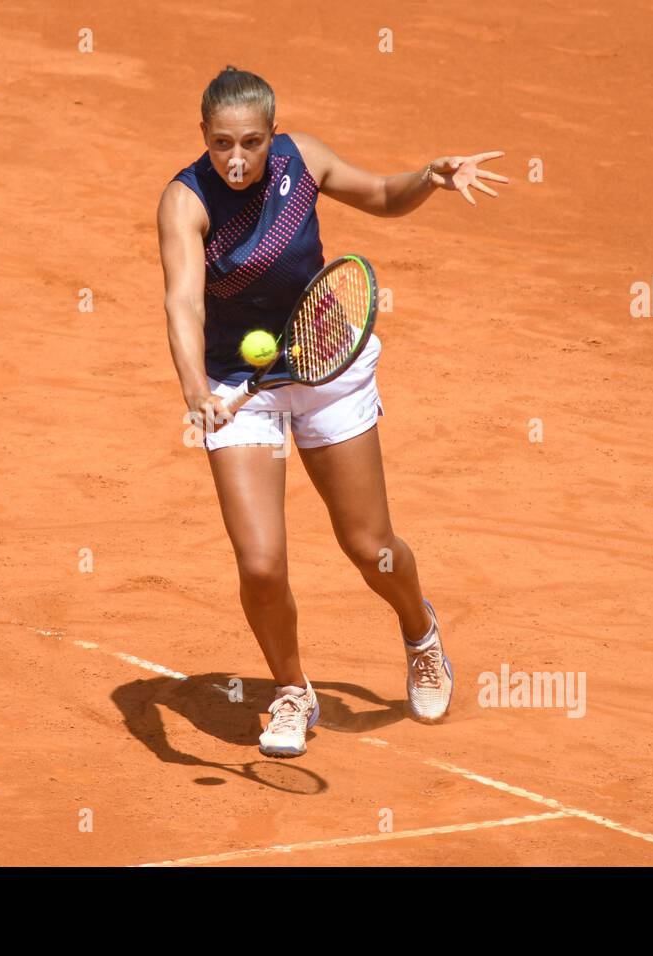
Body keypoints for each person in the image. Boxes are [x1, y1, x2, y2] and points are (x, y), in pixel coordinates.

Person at [156, 66, 507, 757]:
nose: (235, 158)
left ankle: (419, 631)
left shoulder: (302, 161)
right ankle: (291, 691)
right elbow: (183, 302)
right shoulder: (184, 201)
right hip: (237, 380)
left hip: (324, 362)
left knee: (369, 547)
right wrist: (196, 389)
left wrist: (428, 177)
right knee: (259, 564)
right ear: (202, 135)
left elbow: (379, 193)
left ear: (272, 136)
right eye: (221, 142)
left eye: (251, 142)